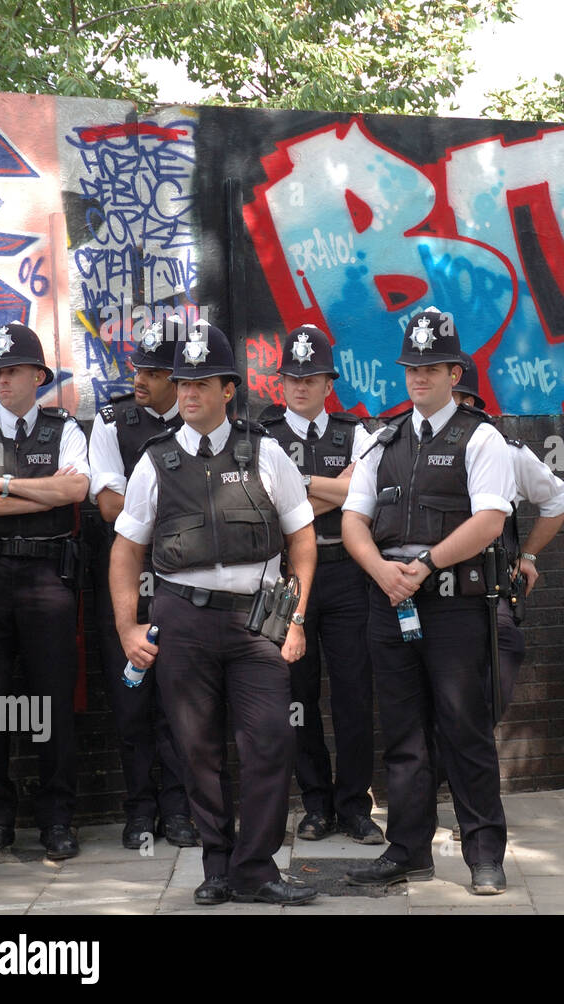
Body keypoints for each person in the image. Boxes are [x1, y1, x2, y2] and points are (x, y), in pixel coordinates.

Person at [109, 319, 319, 906]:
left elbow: (302, 539)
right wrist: (128, 626)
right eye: (182, 384)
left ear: (229, 388)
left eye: (202, 383)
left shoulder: (266, 452)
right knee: (196, 750)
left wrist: (295, 618)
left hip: (258, 621)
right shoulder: (155, 462)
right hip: (182, 621)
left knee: (271, 739)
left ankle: (257, 866)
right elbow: (124, 551)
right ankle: (217, 866)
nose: (189, 393)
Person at [341, 308, 514, 895]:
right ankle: (409, 850)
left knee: (464, 732)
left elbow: (490, 520)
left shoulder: (481, 437)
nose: (419, 378)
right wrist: (381, 572)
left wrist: (425, 564)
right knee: (403, 735)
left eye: (431, 368)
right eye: (411, 367)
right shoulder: (379, 437)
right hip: (389, 602)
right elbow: (354, 521)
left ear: (453, 371)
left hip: (453, 605)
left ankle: (484, 855)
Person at [0, 322, 90, 862]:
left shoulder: (65, 430)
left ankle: (57, 820)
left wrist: (1, 485)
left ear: (38, 375)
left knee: (53, 700)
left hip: (49, 579)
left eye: (12, 371)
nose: (3, 381)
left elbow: (75, 489)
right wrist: (41, 496)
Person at [261, 324, 381, 845]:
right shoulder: (263, 437)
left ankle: (355, 805)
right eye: (291, 378)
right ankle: (316, 804)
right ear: (280, 383)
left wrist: (302, 486)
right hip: (291, 578)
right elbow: (270, 508)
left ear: (328, 382)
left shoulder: (356, 433)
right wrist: (335, 491)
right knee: (298, 695)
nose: (300, 386)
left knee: (355, 695)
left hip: (349, 574)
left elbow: (364, 495)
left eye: (310, 378)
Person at [87, 317, 197, 851]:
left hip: (184, 587)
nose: (140, 379)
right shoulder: (112, 421)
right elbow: (109, 507)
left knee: (181, 703)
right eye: (138, 368)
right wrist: (179, 506)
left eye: (153, 372)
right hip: (130, 584)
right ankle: (139, 810)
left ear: (178, 379)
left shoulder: (200, 421)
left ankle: (179, 810)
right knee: (131, 703)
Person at [451, 351, 564, 720]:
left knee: (485, 702)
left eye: (456, 398)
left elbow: (558, 499)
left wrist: (529, 556)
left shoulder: (505, 452)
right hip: (430, 596)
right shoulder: (409, 447)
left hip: (491, 594)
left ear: (469, 401)